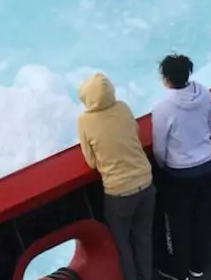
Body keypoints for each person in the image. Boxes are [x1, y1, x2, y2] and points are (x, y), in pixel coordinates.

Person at [77, 72, 155, 280]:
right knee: (143, 238)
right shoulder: (123, 107)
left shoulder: (85, 121)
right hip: (146, 183)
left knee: (122, 244)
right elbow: (136, 134)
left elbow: (91, 161)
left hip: (119, 193)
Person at [151, 54, 211, 280]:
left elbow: (159, 147)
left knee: (179, 223)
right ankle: (197, 266)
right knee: (202, 216)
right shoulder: (204, 93)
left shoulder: (163, 108)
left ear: (166, 79)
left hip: (179, 173)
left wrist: (166, 166)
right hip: (207, 165)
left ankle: (181, 272)